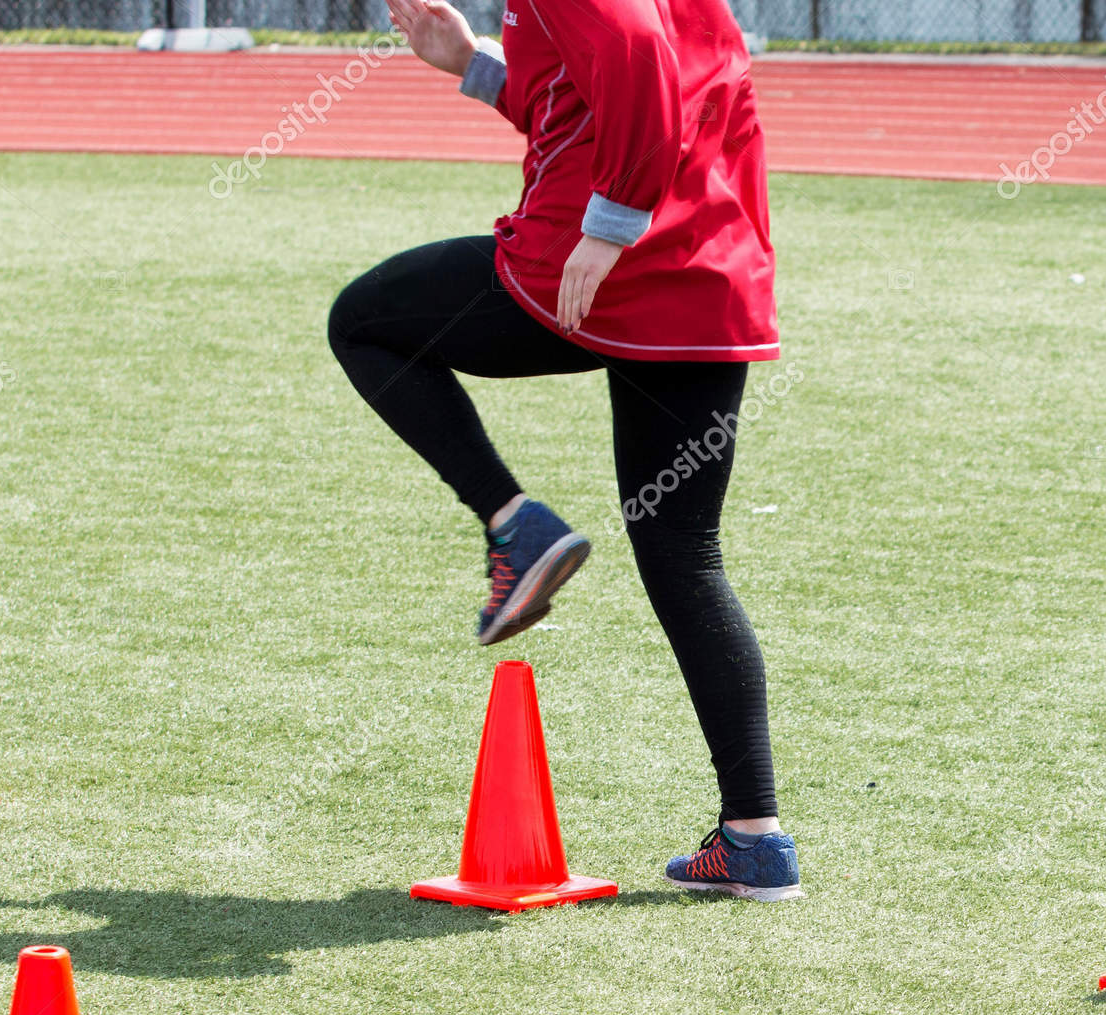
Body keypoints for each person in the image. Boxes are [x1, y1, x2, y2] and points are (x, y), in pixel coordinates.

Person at [329, 0, 800, 901]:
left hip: (604, 269)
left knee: (365, 322)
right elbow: (593, 94)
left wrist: (609, 225)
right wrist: (471, 65)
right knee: (684, 556)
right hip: (709, 280)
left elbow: (639, 68)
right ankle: (755, 837)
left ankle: (515, 525)